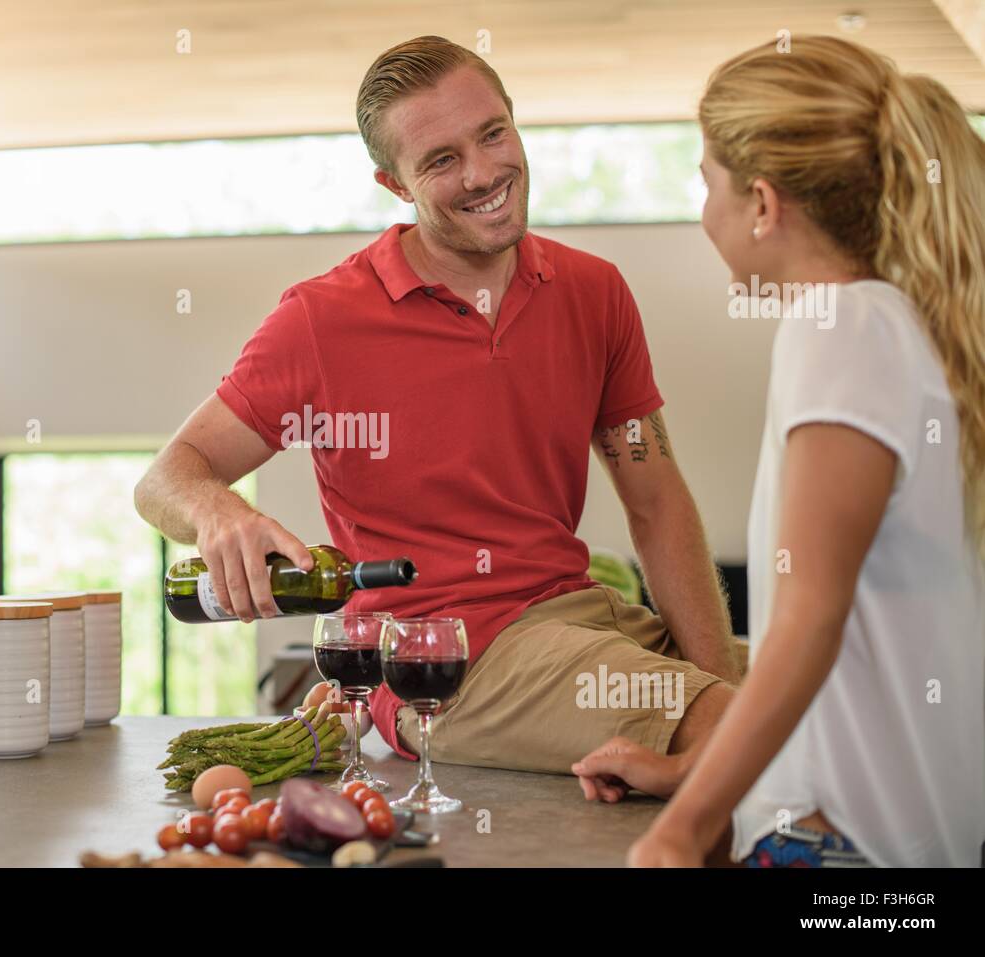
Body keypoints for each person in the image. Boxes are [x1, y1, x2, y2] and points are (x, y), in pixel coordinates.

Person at [135, 35, 741, 774]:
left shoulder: (596, 292)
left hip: (578, 618)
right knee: (741, 724)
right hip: (449, 665)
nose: (484, 173)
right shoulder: (321, 320)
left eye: (492, 134)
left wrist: (722, 680)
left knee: (812, 696)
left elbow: (656, 496)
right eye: (442, 159)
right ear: (395, 184)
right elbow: (166, 477)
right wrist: (218, 512)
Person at [571, 35, 985, 868]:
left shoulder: (839, 328)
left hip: (840, 852)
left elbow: (809, 619)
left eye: (705, 182)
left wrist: (680, 835)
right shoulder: (893, 324)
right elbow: (866, 629)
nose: (703, 212)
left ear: (762, 202)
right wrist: (696, 771)